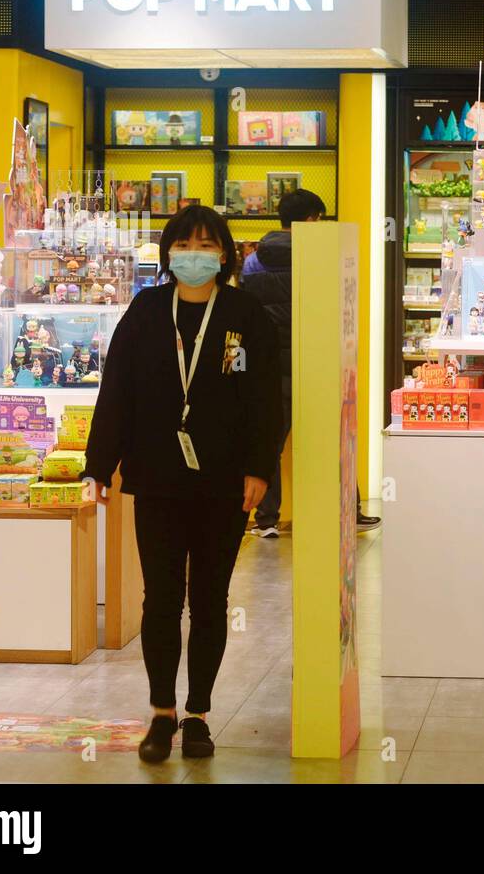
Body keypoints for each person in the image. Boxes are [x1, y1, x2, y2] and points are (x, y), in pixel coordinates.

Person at [83, 205, 283, 763]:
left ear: (224, 253)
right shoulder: (147, 310)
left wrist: (260, 470)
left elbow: (268, 401)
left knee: (211, 600)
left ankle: (198, 714)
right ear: (170, 253)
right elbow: (116, 390)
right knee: (161, 600)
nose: (195, 254)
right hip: (157, 479)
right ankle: (160, 712)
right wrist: (99, 465)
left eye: (206, 244)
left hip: (225, 483)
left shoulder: (246, 314)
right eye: (184, 245)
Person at [240, 188, 381, 536]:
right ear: (311, 220)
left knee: (269, 441)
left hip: (269, 366)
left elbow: (246, 312)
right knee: (335, 439)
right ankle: (348, 511)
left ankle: (266, 519)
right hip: (316, 362)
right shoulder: (323, 255)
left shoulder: (252, 259)